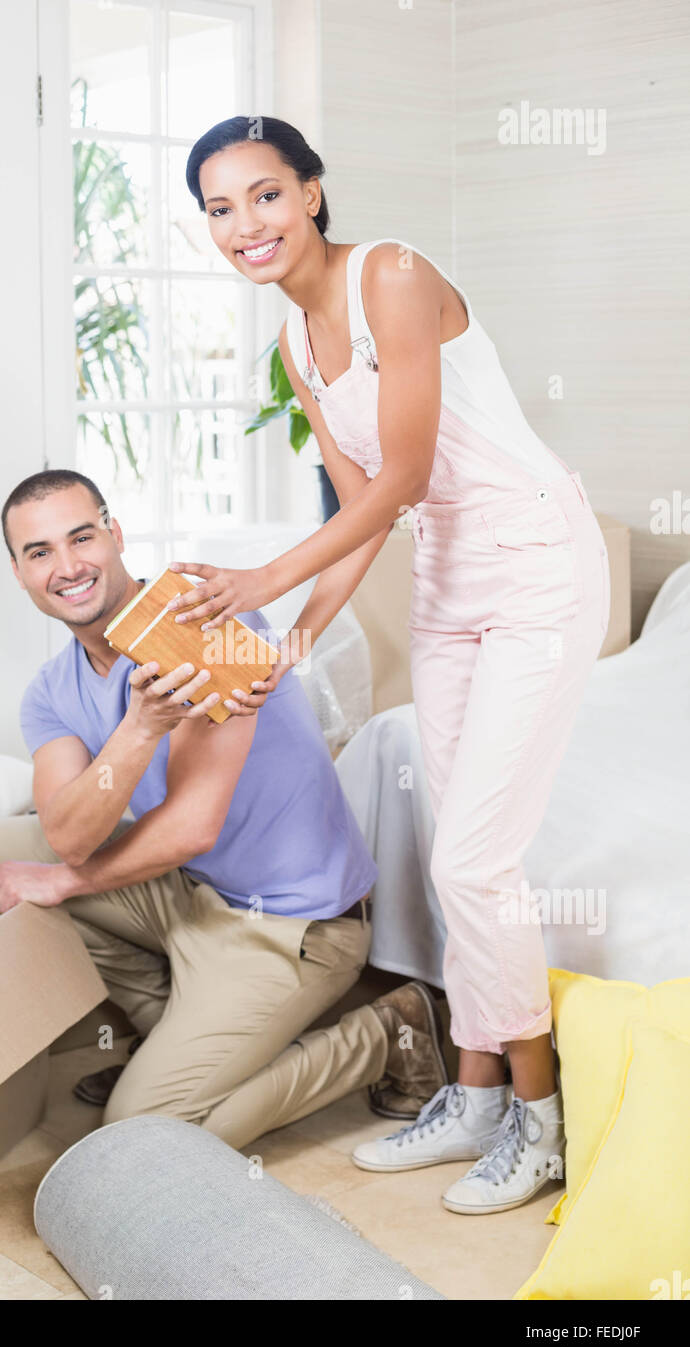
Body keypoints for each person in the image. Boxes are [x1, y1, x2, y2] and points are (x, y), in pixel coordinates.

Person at [168, 116, 611, 1213]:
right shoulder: (292, 347)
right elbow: (363, 514)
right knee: (449, 851)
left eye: (264, 196)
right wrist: (294, 642)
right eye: (219, 208)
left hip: (536, 567)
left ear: (312, 194)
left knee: (472, 857)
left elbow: (404, 474)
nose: (244, 226)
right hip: (446, 581)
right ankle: (468, 1093)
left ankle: (536, 1116)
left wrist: (261, 579)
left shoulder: (395, 279)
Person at [0, 469, 448, 1151]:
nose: (68, 567)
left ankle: (388, 1033)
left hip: (290, 925)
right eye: (39, 553)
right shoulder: (50, 693)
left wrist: (69, 878)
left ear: (116, 535)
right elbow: (67, 835)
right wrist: (138, 728)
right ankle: (180, 1035)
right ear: (18, 573)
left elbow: (193, 824)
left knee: (142, 1132)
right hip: (191, 898)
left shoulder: (202, 618)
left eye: (82, 537)